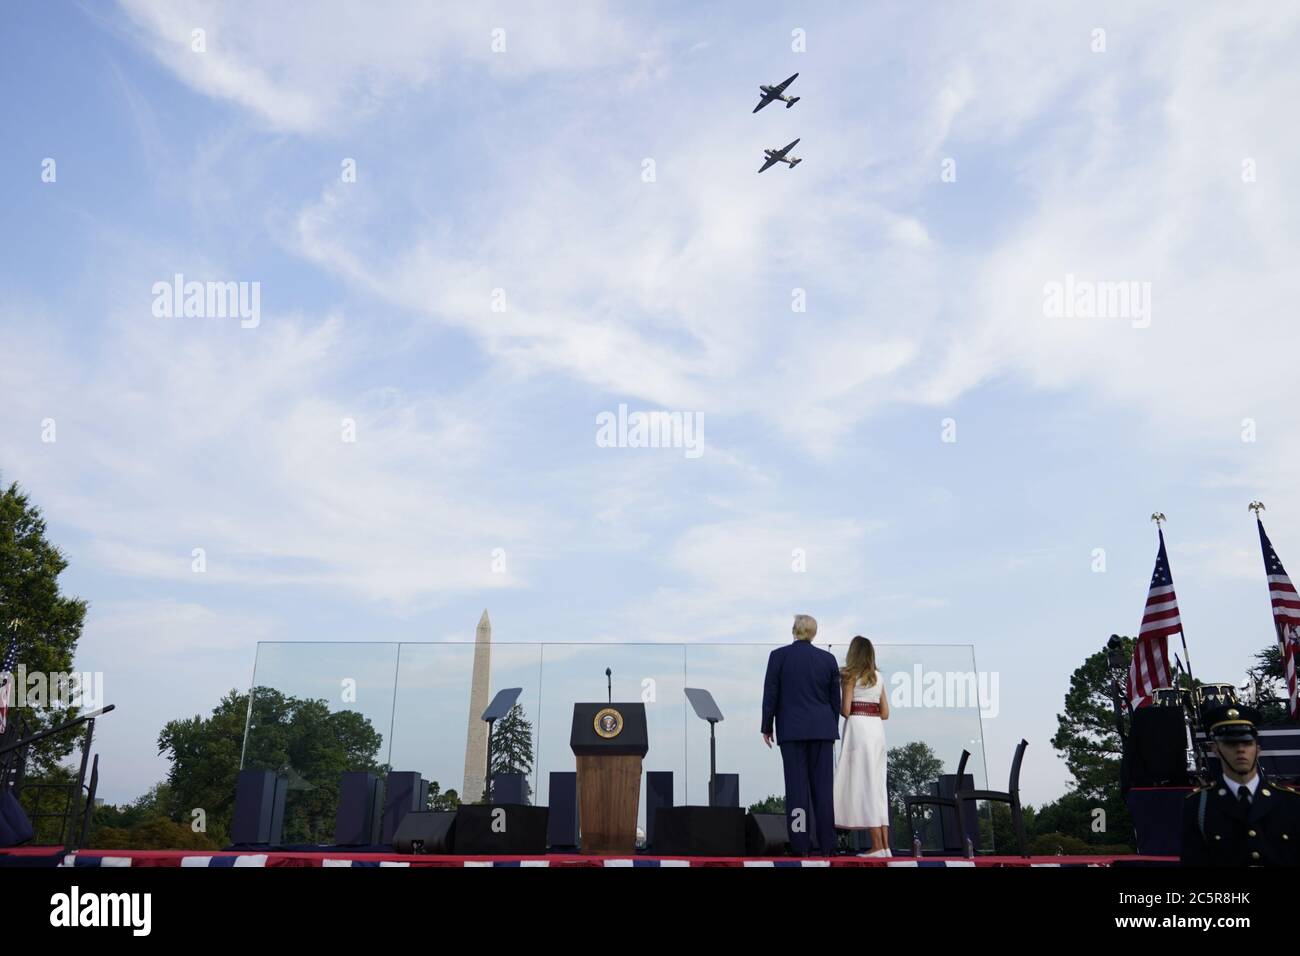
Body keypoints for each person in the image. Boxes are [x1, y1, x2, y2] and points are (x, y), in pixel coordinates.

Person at [1180, 704, 1300, 866]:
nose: (1240, 749)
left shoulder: (1290, 802)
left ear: (1258, 749)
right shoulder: (1199, 805)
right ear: (1215, 749)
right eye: (1231, 743)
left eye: (1247, 742)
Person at [762, 614, 841, 856]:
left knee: (797, 790)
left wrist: (767, 726)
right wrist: (830, 726)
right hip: (822, 730)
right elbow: (834, 700)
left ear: (794, 630)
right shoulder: (828, 659)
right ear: (814, 633)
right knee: (823, 790)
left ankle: (800, 846)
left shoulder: (778, 656)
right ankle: (828, 846)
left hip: (792, 731)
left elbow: (771, 694)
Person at [833, 635, 890, 855]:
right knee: (877, 785)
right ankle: (885, 845)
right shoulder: (878, 677)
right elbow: (885, 713)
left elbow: (845, 709)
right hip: (877, 730)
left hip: (858, 730)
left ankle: (876, 845)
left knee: (864, 785)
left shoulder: (849, 675)